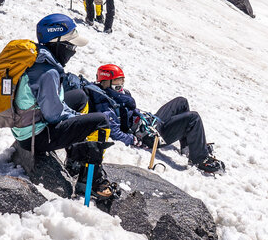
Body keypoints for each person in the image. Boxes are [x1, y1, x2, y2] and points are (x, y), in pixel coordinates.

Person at [13, 14, 115, 199]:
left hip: (27, 126)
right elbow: (53, 114)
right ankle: (91, 179)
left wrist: (74, 118)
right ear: (57, 42)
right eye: (71, 45)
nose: (73, 50)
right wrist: (77, 120)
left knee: (79, 97)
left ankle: (76, 157)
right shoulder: (47, 71)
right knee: (100, 122)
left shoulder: (36, 59)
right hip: (35, 137)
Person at [81, 63, 225, 174]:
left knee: (181, 101)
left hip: (147, 123)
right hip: (149, 136)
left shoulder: (112, 95)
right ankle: (199, 159)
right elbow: (113, 132)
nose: (121, 87)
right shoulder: (105, 106)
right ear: (105, 82)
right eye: (117, 83)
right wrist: (133, 140)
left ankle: (189, 147)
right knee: (193, 118)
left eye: (121, 82)